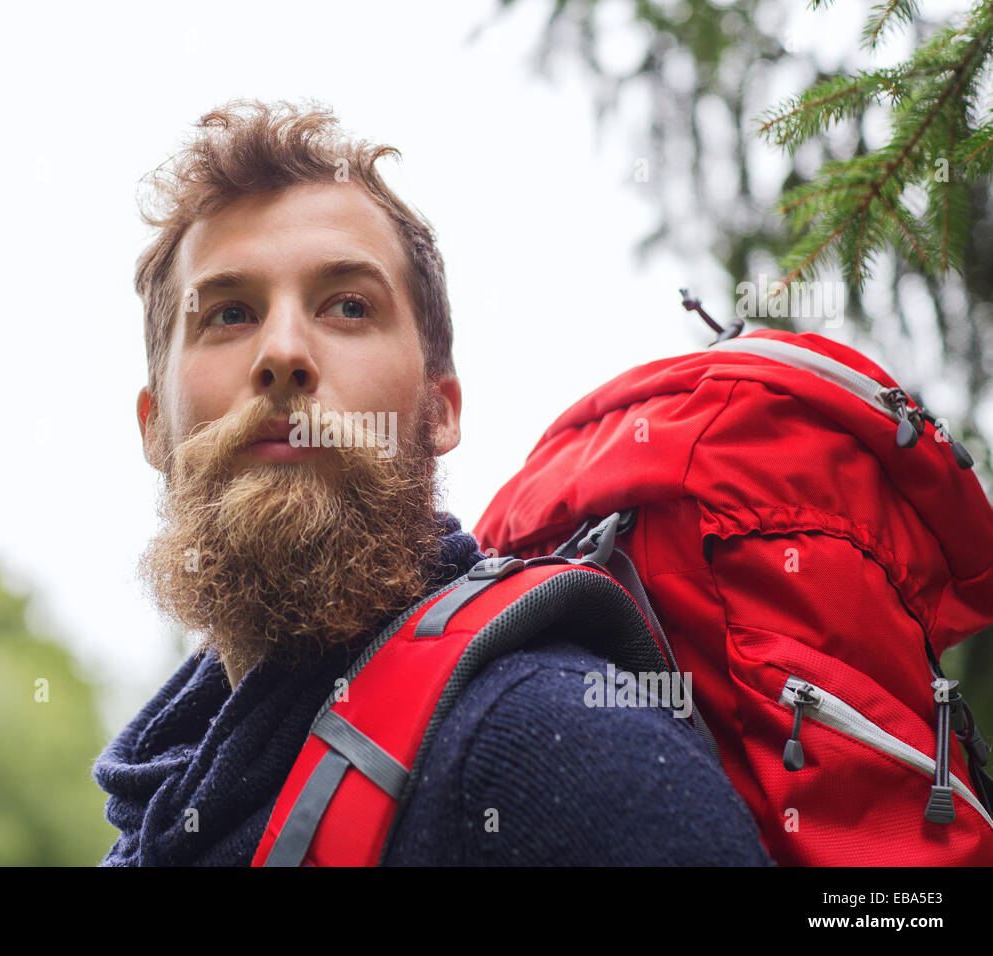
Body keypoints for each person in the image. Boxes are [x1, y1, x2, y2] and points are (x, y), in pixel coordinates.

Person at [92, 99, 774, 866]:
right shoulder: (157, 804)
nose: (282, 353)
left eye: (348, 306)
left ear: (441, 409)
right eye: (228, 313)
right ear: (154, 427)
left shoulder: (546, 745)